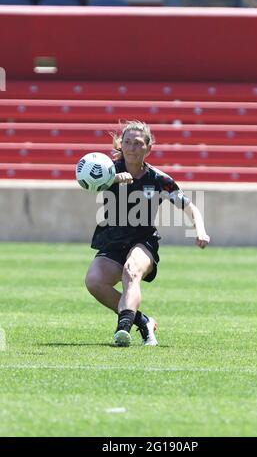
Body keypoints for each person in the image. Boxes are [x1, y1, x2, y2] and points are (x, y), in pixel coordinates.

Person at [85, 121, 210, 347]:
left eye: (138, 143)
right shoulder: (108, 170)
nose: (131, 148)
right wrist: (113, 179)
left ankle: (122, 330)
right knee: (94, 282)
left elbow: (190, 206)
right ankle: (143, 321)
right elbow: (87, 182)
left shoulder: (159, 179)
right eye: (127, 143)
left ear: (148, 148)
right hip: (112, 240)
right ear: (120, 145)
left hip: (143, 242)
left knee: (131, 271)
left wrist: (200, 230)